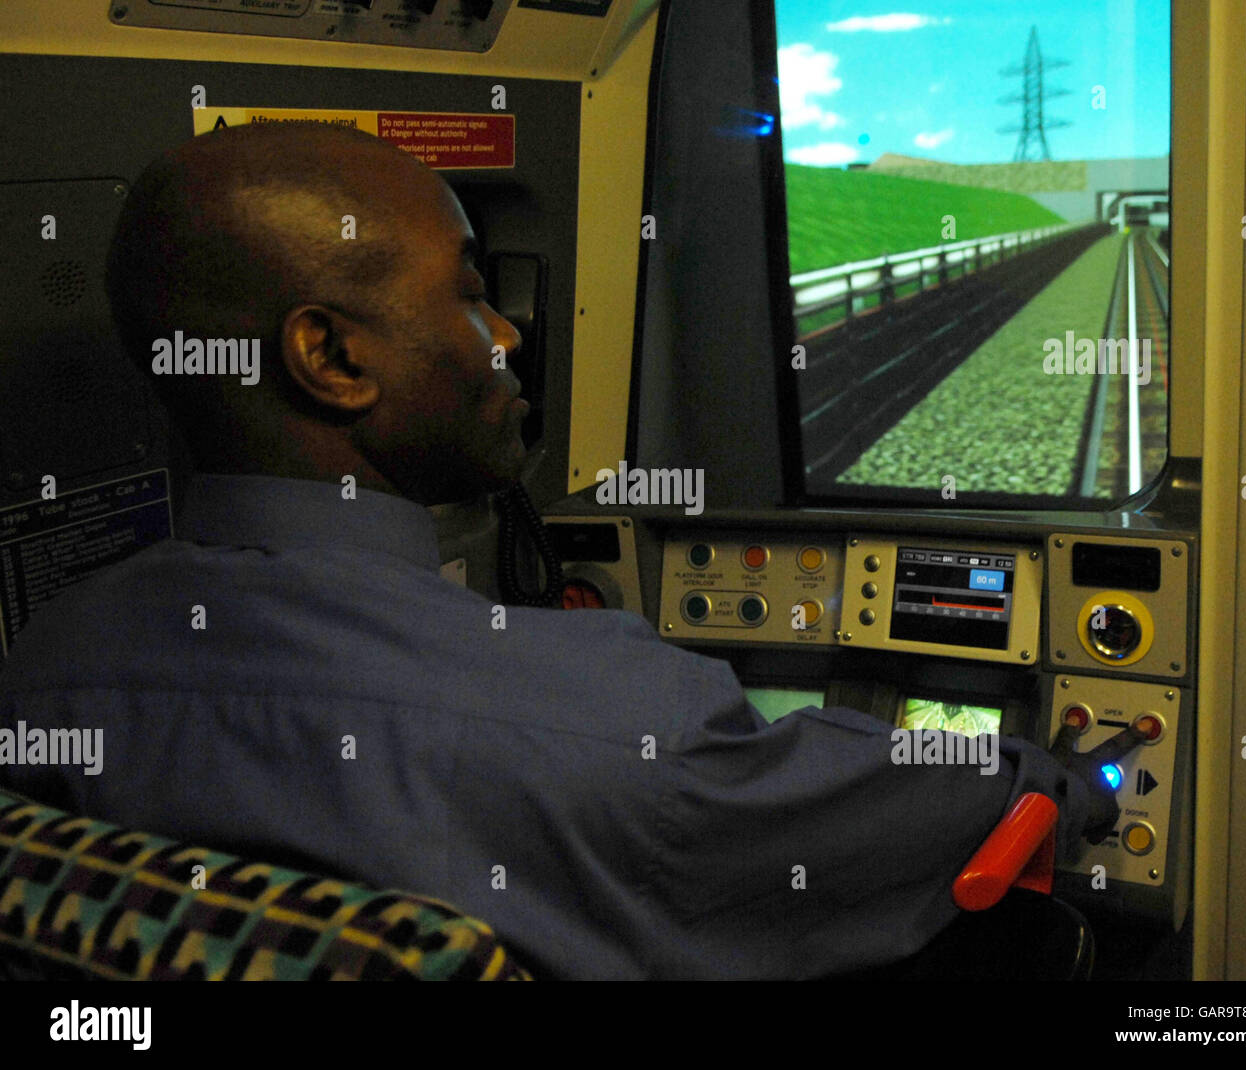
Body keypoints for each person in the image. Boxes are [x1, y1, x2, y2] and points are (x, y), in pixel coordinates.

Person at [0, 122, 1118, 979]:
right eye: (472, 294)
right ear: (331, 358)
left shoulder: (48, 663)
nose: (509, 335)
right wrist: (1066, 775)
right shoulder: (616, 720)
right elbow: (897, 820)